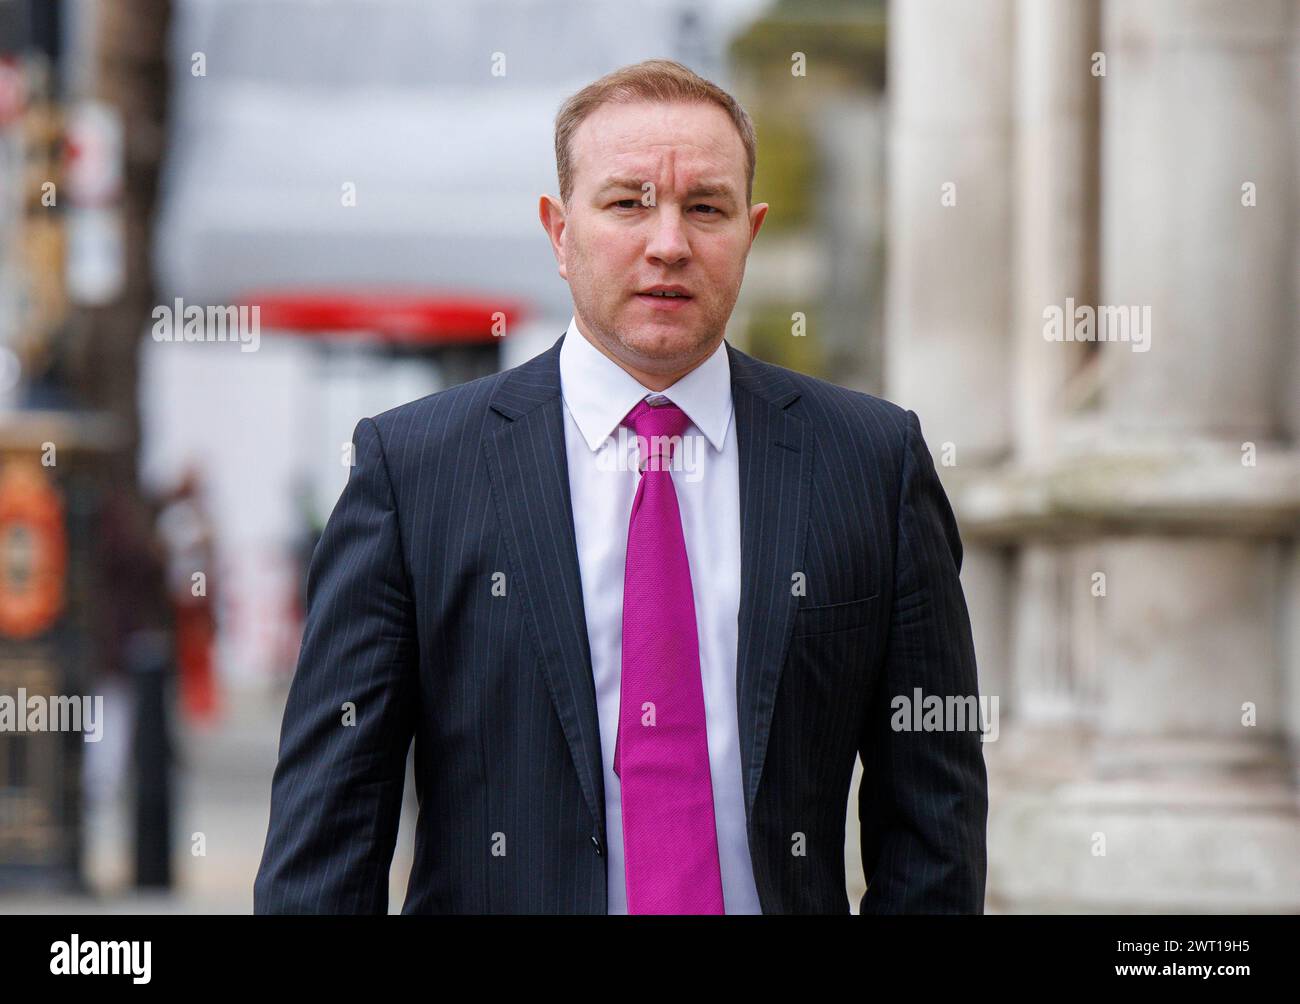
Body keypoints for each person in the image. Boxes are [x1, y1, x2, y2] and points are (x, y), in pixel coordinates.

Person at [254, 59, 987, 915]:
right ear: (559, 232)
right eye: (628, 202)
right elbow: (326, 840)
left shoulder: (871, 462)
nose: (669, 242)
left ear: (748, 231)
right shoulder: (413, 472)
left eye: (704, 207)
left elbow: (934, 817)